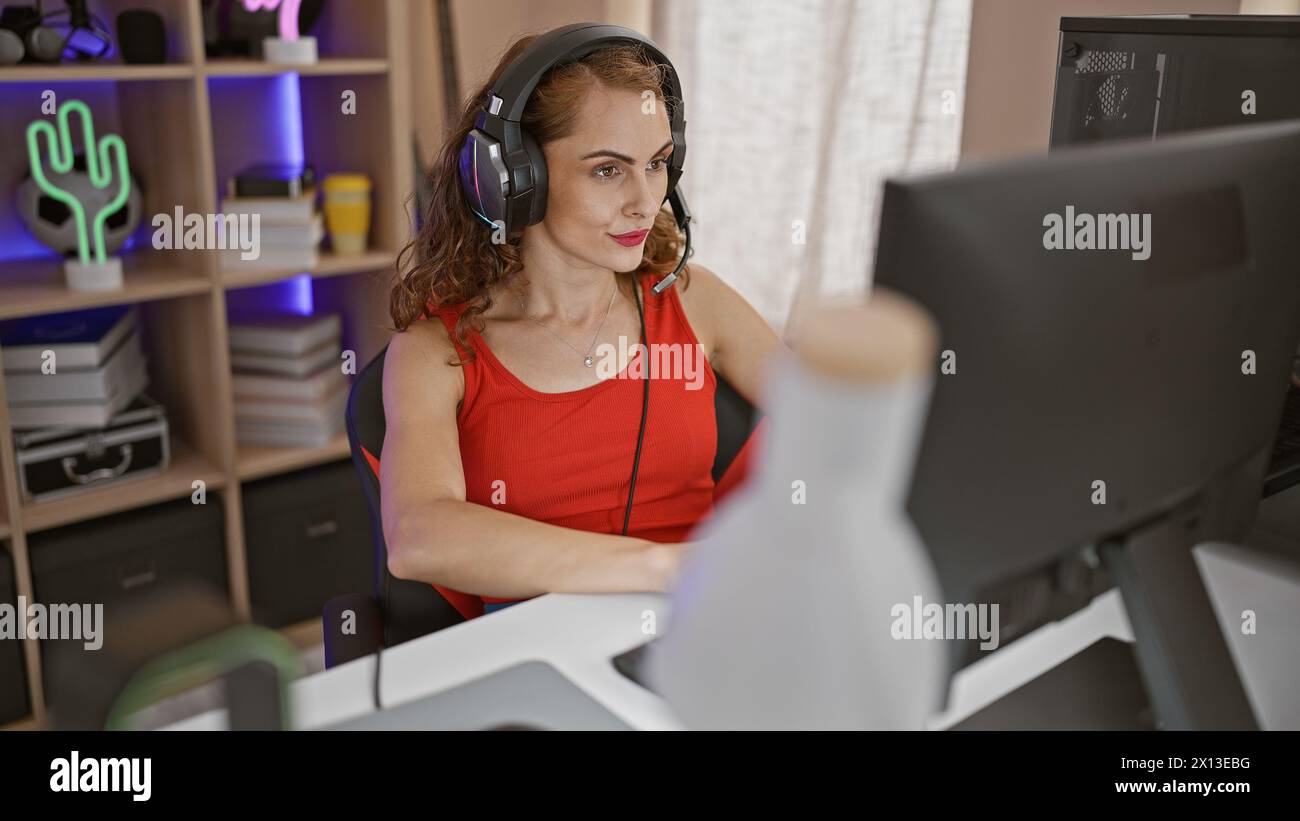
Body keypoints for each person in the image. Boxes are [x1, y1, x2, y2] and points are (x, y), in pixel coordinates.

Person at [381, 30, 784, 616]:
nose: (646, 202)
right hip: (544, 650)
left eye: (657, 164)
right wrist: (663, 567)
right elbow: (419, 537)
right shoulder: (434, 352)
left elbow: (833, 421)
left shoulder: (691, 298)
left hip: (712, 618)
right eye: (607, 171)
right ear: (514, 178)